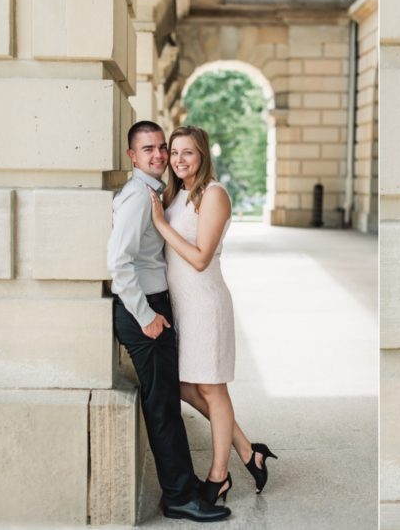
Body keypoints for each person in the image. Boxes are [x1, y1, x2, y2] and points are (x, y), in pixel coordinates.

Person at [107, 120, 230, 522]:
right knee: (162, 408)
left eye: (164, 147)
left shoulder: (159, 192)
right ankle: (179, 497)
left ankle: (185, 484)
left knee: (167, 404)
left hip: (158, 305)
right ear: (132, 155)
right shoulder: (139, 198)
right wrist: (147, 317)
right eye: (150, 149)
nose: (161, 155)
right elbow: (119, 264)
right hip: (144, 311)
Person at [148, 125, 277, 505]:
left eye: (188, 152)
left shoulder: (214, 194)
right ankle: (248, 449)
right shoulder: (174, 192)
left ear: (203, 155)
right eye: (174, 152)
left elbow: (201, 258)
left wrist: (161, 225)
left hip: (205, 305)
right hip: (181, 306)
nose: (178, 159)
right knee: (186, 385)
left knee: (213, 389)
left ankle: (219, 476)